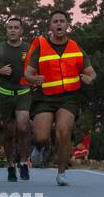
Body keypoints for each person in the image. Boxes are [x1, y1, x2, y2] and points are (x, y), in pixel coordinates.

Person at [23, 10, 96, 186]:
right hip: (45, 97)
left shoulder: (75, 47)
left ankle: (61, 173)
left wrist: (89, 78)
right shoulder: (41, 46)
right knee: (41, 136)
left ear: (67, 25)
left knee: (64, 132)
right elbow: (28, 73)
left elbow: (91, 71)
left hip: (68, 97)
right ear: (50, 26)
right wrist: (34, 79)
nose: (58, 24)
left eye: (62, 21)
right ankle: (39, 147)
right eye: (55, 21)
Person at [0, 17, 33, 182]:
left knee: (22, 127)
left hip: (23, 93)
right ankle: (11, 165)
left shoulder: (29, 49)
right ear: (6, 31)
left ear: (21, 31)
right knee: (8, 132)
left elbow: (37, 68)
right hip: (5, 94)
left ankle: (24, 162)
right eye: (10, 28)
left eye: (16, 27)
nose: (12, 30)